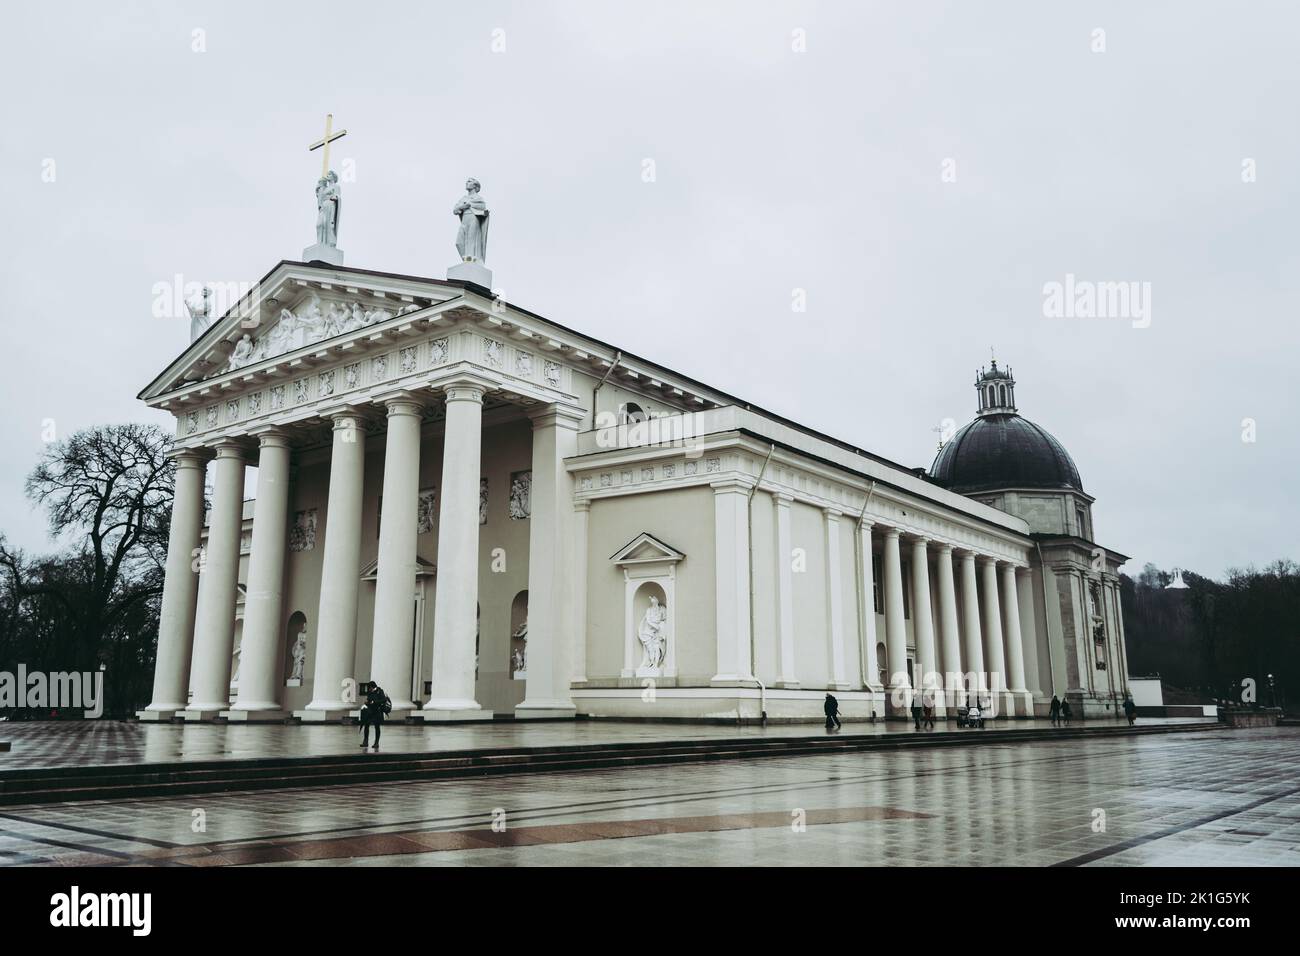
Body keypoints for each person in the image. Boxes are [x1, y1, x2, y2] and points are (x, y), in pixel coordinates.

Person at [360, 681, 391, 751]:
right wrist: (367, 702)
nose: (368, 689)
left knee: (377, 727)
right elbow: (368, 699)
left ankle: (376, 743)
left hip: (377, 711)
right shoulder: (370, 692)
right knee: (366, 725)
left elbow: (383, 700)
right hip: (370, 711)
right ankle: (365, 741)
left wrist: (374, 702)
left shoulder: (380, 691)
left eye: (369, 688)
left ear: (372, 687)